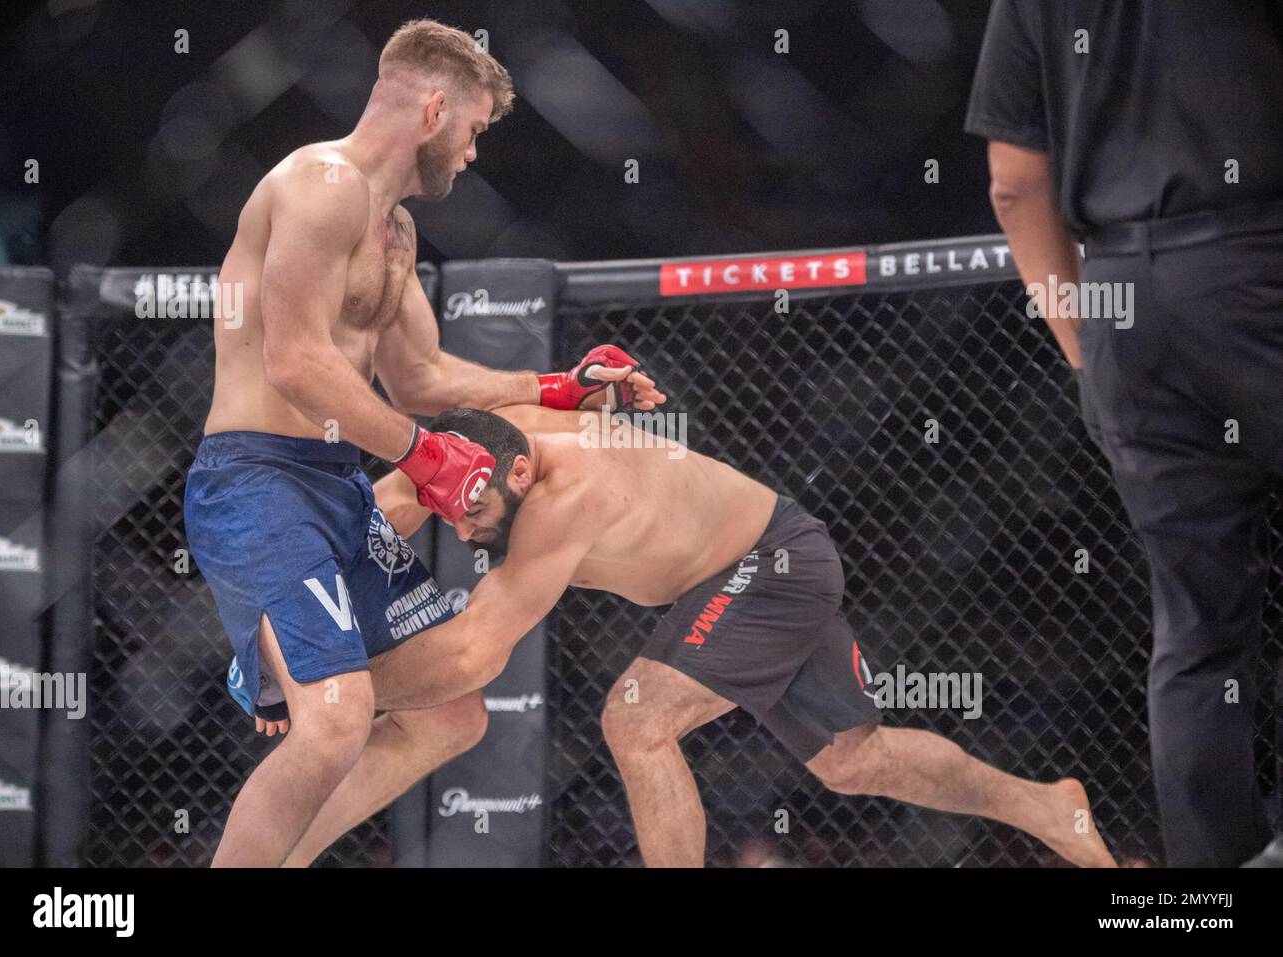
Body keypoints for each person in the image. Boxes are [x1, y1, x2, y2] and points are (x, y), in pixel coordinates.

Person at [183, 18, 664, 867]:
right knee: (334, 718)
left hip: (334, 484)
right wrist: (423, 454)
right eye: (476, 131)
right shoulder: (316, 185)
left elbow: (426, 381)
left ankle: (285, 786)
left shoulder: (395, 233)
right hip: (255, 479)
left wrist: (558, 386)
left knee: (453, 711)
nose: (475, 155)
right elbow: (295, 361)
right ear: (436, 110)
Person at [277, 406, 1117, 868]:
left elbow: (471, 654)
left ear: (522, 476)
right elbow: (392, 504)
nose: (461, 532)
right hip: (758, 563)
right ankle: (1047, 806)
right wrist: (288, 606)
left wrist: (325, 683)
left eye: (476, 514)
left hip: (768, 563)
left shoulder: (566, 499)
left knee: (635, 720)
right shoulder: (489, 446)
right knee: (855, 761)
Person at [966, 1, 1283, 865]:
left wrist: (1083, 347)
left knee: (1196, 628)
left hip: (1121, 306)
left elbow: (1013, 183)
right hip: (1257, 261)